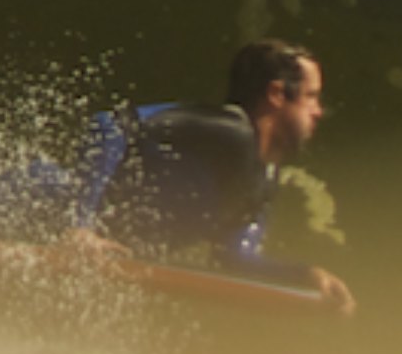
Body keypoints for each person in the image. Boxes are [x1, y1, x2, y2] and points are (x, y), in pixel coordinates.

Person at [58, 40, 356, 313]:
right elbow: (107, 126)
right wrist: (80, 226)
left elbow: (231, 259)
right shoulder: (229, 130)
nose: (319, 111)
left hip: (85, 246)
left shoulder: (262, 181)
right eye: (311, 97)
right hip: (40, 200)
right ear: (276, 94)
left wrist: (305, 276)